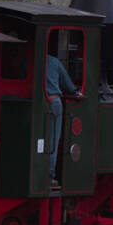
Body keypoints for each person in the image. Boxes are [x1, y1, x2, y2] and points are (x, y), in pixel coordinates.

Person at [44, 54, 78, 188]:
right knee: (53, 138)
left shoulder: (30, 60)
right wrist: (75, 92)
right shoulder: (54, 61)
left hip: (39, 101)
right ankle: (49, 175)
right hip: (54, 101)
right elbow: (67, 83)